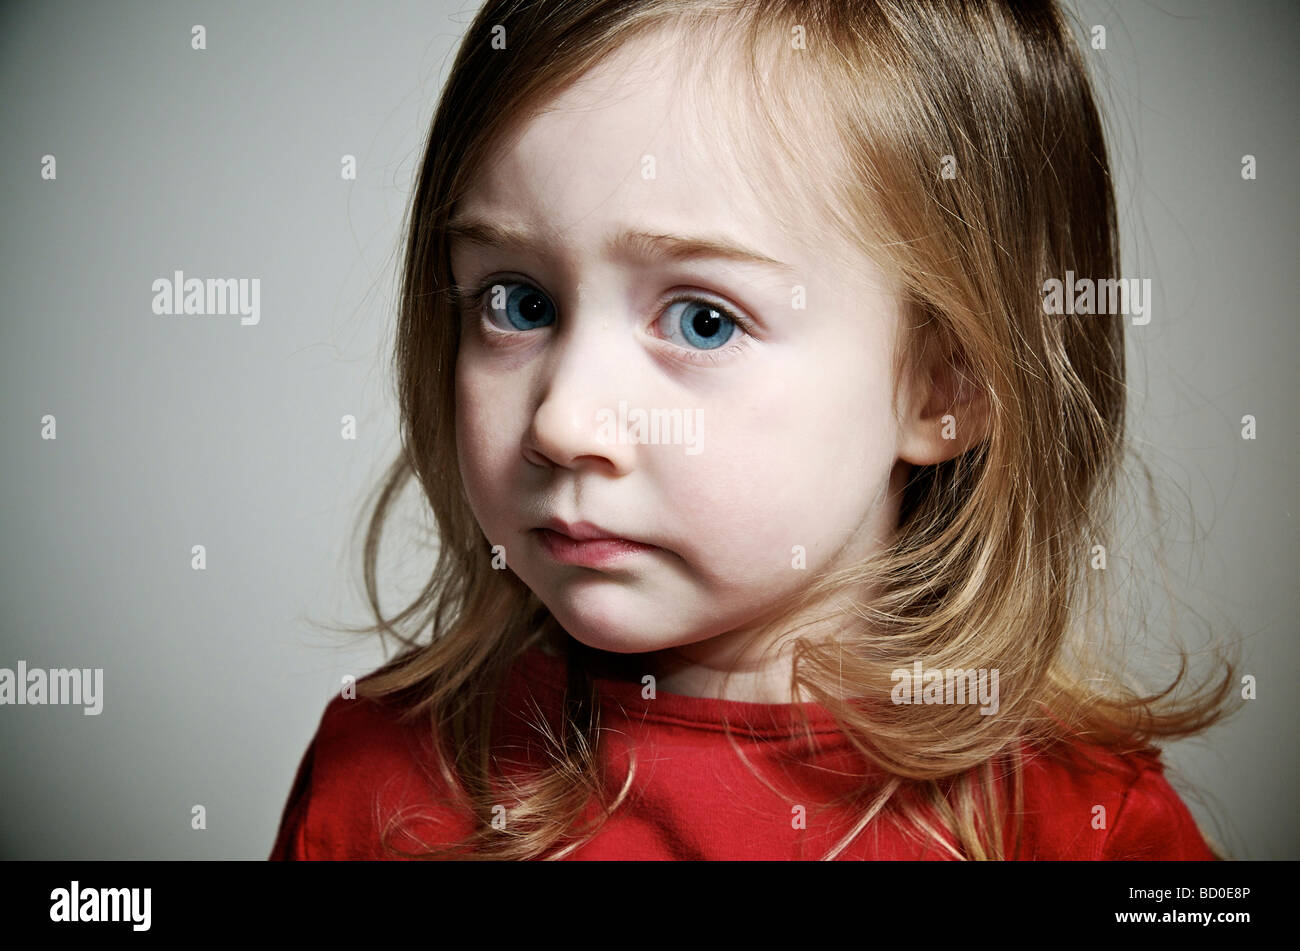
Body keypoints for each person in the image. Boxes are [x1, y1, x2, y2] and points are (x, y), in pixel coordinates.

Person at [271, 0, 1238, 861]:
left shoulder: (1085, 828)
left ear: (946, 385)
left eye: (703, 320)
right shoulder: (379, 790)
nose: (564, 422)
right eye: (518, 302)